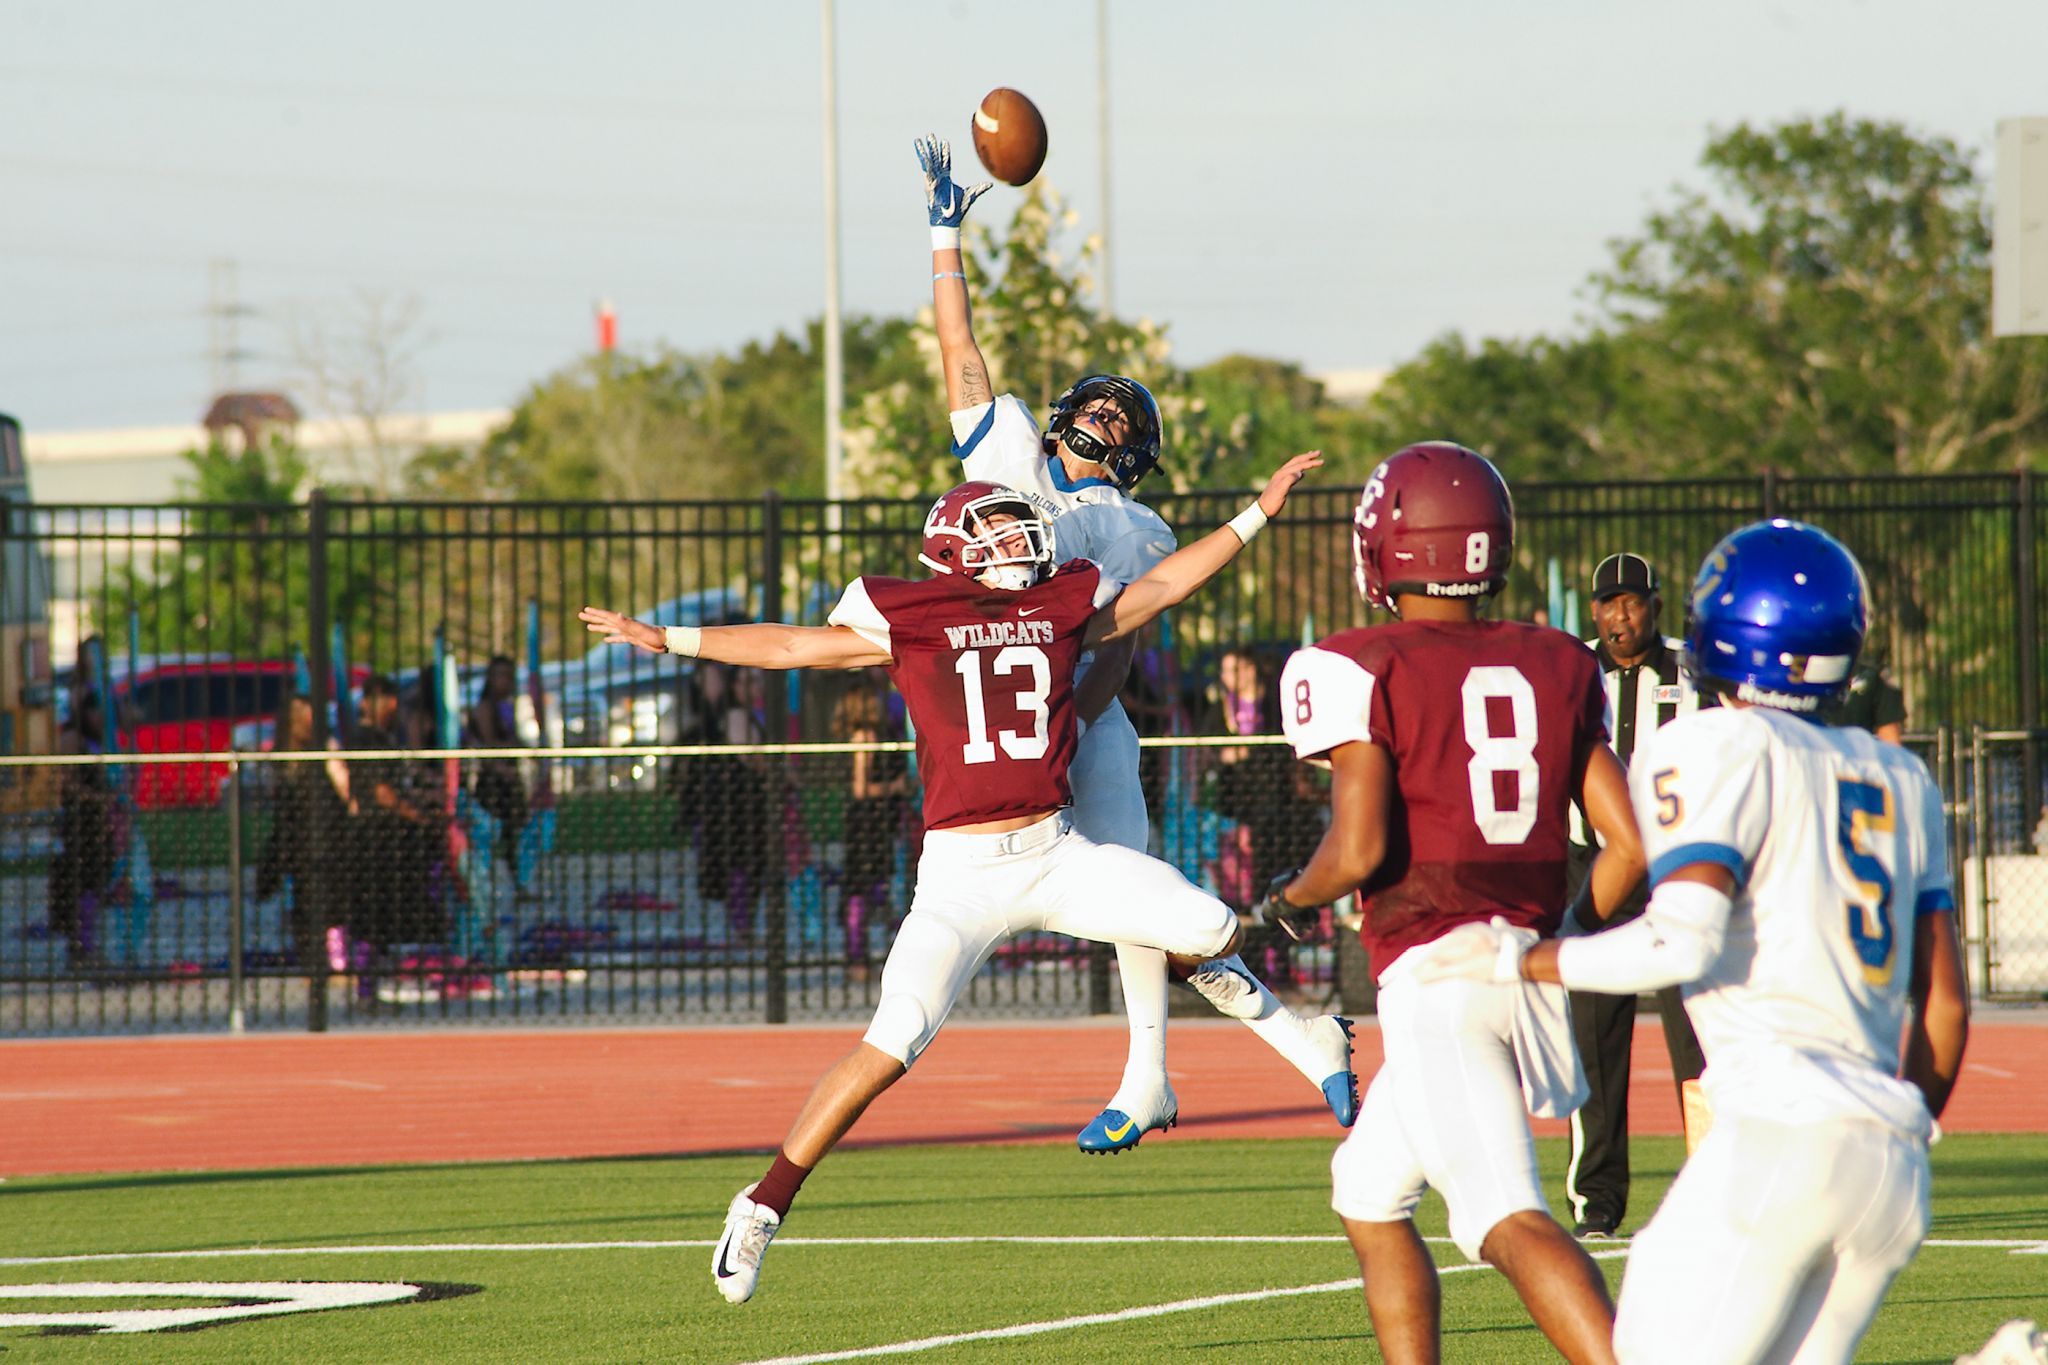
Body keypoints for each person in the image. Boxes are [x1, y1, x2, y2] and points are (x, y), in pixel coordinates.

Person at [580, 454, 1321, 1305]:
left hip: (1057, 851)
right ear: (953, 548)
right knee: (893, 1042)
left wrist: (1257, 514)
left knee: (1216, 927)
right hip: (962, 876)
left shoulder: (1061, 600)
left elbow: (1162, 588)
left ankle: (1304, 1030)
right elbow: (789, 646)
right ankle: (762, 1202)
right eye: (997, 525)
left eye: (1017, 520)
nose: (1019, 533)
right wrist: (665, 638)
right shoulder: (916, 614)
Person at [1417, 518, 1971, 1365]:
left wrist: (1518, 956)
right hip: (1893, 1159)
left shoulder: (1715, 742)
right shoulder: (1903, 775)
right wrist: (1897, 1128)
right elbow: (1945, 1006)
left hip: (1785, 1135)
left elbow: (1681, 940)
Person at [916, 134, 1356, 1152]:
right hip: (994, 712)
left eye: (1126, 411)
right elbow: (960, 353)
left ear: (1134, 450)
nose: (1106, 409)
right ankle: (1301, 1043)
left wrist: (1066, 719)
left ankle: (1152, 1073)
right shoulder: (1011, 443)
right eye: (1101, 398)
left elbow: (1114, 638)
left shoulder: (1133, 525)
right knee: (1145, 915)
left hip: (1081, 714)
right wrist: (943, 239)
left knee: (1138, 907)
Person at [1264, 442, 1645, 1365]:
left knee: (1503, 1216)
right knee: (1366, 1189)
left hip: (1438, 972)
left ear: (1390, 545)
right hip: (1520, 959)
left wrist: (1283, 901)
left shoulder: (1359, 662)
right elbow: (1630, 846)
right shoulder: (1558, 660)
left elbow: (1357, 849)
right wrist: (1554, 937)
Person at [1562, 551, 1710, 1239]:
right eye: (1610, 603)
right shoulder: (1570, 669)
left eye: (1635, 601)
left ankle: (1714, 1183)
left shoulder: (1693, 670)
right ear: (1593, 611)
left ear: (1655, 603)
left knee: (1700, 1035)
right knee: (1593, 1041)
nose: (1623, 615)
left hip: (1677, 867)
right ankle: (1597, 1199)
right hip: (1591, 865)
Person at [255, 692, 351, 977]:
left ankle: (330, 960)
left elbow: (342, 785)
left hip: (324, 834)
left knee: (328, 900)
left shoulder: (318, 749)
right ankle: (317, 962)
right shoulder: (287, 755)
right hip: (301, 836)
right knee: (309, 900)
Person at [832, 686, 909, 983]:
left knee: (866, 888)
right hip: (868, 824)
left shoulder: (858, 737)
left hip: (870, 823)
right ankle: (858, 959)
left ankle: (861, 958)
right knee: (861, 889)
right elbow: (861, 788)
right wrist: (896, 787)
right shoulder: (865, 737)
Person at [467, 654, 529, 868]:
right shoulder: (485, 707)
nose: (506, 682)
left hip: (510, 779)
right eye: (501, 676)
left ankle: (517, 879)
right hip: (494, 781)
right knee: (491, 833)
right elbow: (488, 745)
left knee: (515, 832)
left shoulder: (507, 706)